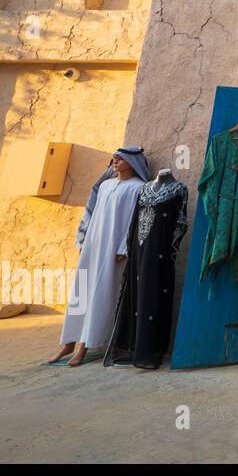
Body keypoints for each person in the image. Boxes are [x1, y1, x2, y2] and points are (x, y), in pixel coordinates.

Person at [45, 147, 150, 367]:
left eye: (121, 159)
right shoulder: (105, 185)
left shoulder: (138, 188)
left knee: (99, 294)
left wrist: (124, 246)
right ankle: (68, 343)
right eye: (115, 159)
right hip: (94, 245)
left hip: (113, 250)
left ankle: (85, 344)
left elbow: (135, 220)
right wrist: (83, 240)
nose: (116, 162)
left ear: (132, 163)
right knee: (81, 291)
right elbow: (92, 213)